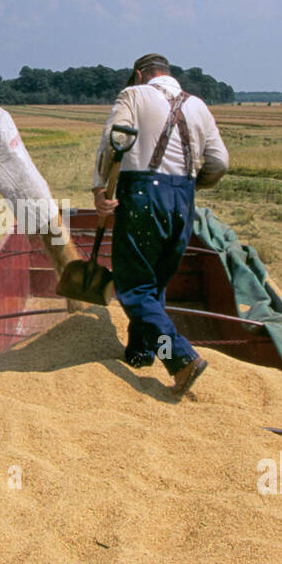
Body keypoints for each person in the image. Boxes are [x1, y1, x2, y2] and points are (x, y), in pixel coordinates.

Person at [92, 53, 229, 396]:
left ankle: (180, 358)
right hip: (183, 201)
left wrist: (100, 189)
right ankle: (141, 354)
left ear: (140, 75)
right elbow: (220, 162)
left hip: (141, 196)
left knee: (132, 288)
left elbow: (114, 139)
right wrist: (190, 186)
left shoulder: (133, 95)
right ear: (168, 75)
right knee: (152, 287)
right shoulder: (198, 106)